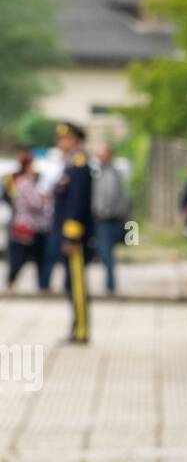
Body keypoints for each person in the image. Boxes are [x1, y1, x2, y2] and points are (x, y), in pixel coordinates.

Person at [53, 121, 93, 344]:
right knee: (70, 283)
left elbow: (77, 204)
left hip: (75, 236)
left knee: (76, 285)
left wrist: (70, 234)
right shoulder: (70, 164)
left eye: (64, 139)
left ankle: (81, 331)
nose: (60, 143)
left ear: (74, 140)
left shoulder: (79, 165)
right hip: (67, 233)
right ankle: (76, 328)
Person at [3, 146, 51, 290]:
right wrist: (44, 200)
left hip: (33, 224)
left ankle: (42, 283)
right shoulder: (17, 179)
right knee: (19, 256)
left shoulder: (32, 178)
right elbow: (35, 202)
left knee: (37, 256)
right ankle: (12, 282)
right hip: (25, 224)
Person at [92, 144, 129, 295]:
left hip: (109, 219)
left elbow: (112, 196)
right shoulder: (98, 172)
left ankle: (110, 285)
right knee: (103, 252)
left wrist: (102, 211)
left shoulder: (114, 174)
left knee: (107, 253)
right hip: (100, 219)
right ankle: (109, 284)